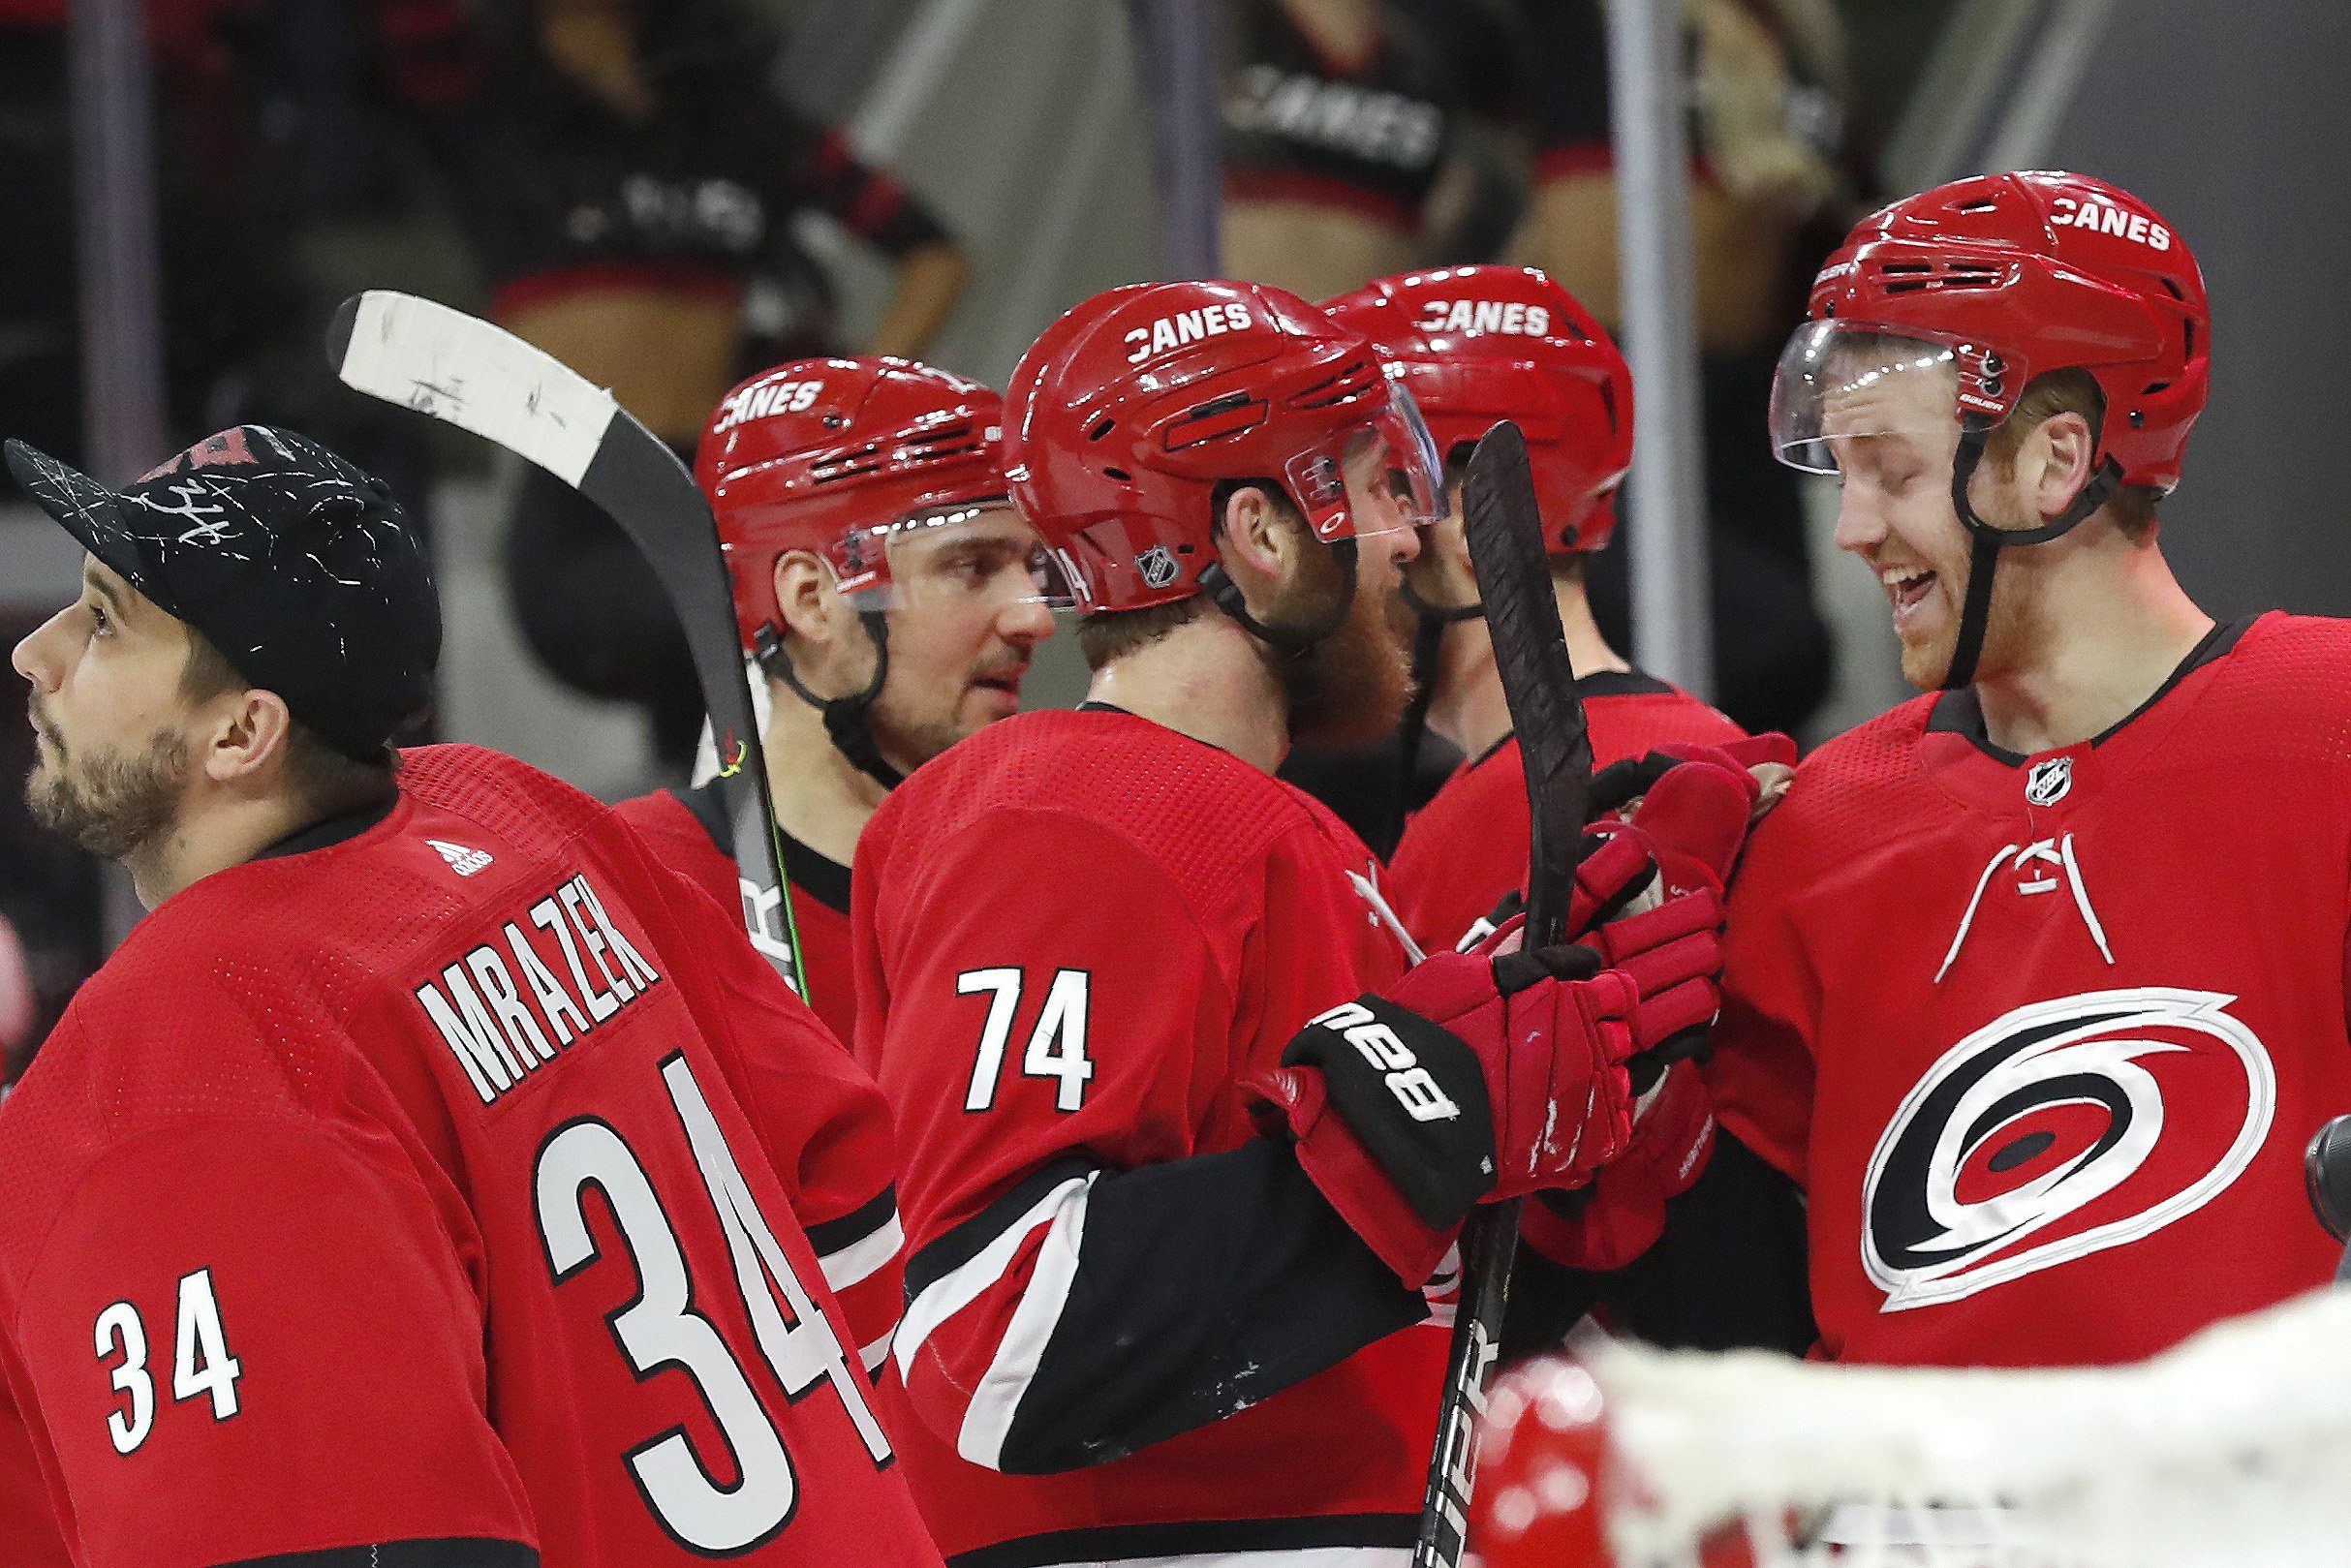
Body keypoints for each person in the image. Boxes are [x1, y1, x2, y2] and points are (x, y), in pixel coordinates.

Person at [849, 278, 1758, 1566]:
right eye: (1376, 484)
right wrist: (1411, 1127)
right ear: (1262, 532)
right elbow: (998, 1333)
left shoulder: (1288, 840)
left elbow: (1350, 1305)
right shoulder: (1064, 808)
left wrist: (1565, 1146)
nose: (1407, 533)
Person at [0, 425, 938, 1566]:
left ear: (244, 730)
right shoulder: (516, 813)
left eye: (103, 620)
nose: (35, 654)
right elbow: (842, 1175)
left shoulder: (187, 1044)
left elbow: (347, 1543)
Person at [1708, 171, 2351, 1368]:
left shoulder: (2331, 729)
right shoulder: (1817, 827)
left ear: (2058, 461)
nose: (1851, 527)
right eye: (1842, 471)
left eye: (1891, 471)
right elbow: (1719, 1268)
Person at [614, 355, 1056, 1053]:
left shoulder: (1057, 872)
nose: (1033, 616)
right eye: (971, 567)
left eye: (1032, 568)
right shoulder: (634, 895)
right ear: (812, 600)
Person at [1322, 264, 1763, 956]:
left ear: (1473, 522)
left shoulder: (1489, 823)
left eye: (1358, 499)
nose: (1332, 552)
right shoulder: (1708, 738)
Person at [1510, 0, 1852, 735]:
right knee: (1772, 645)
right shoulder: (1603, 21)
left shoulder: (1797, 36)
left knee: (1779, 696)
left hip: (1744, 396)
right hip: (1606, 384)